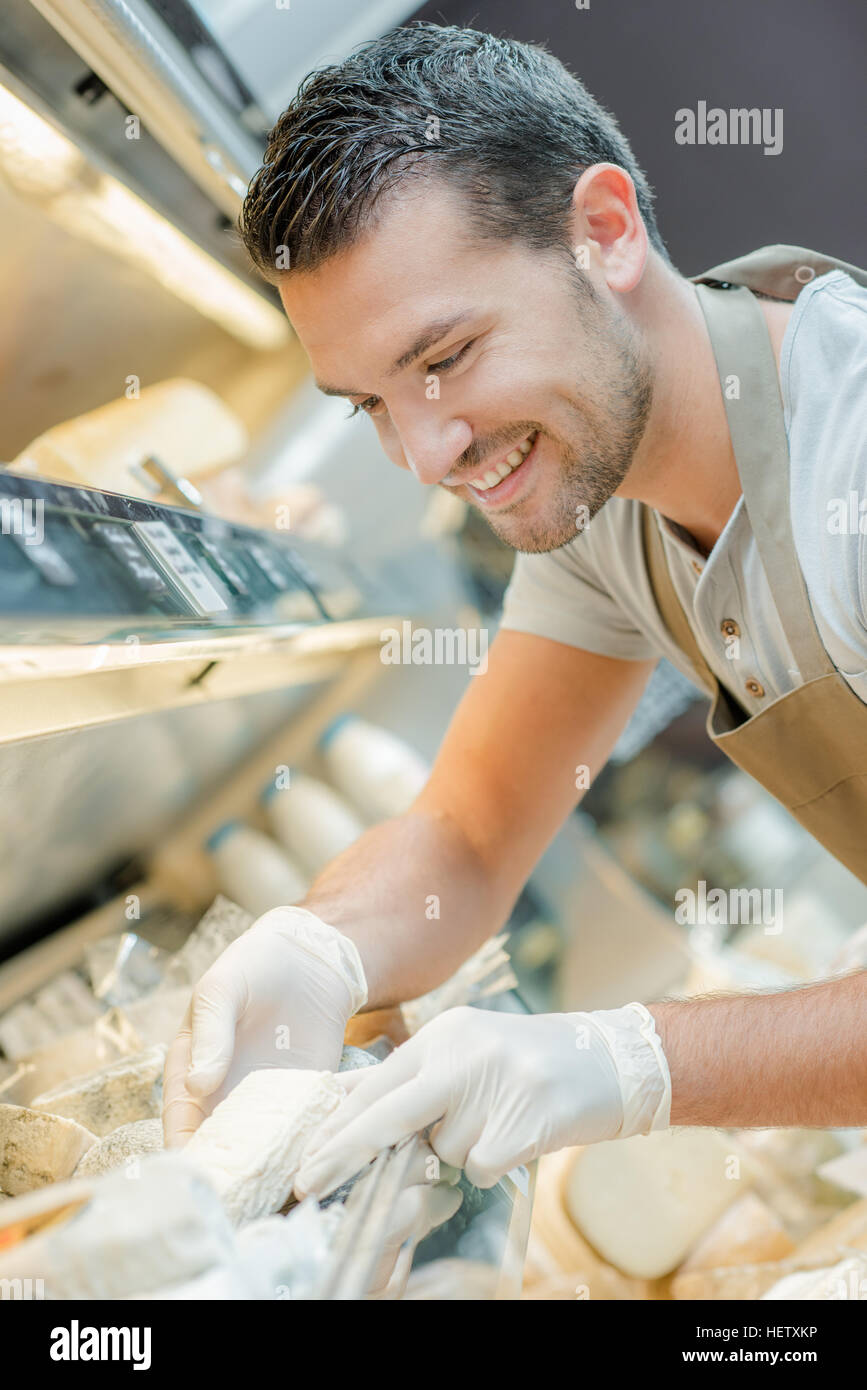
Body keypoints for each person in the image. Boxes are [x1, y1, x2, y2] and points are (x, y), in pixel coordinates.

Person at [163, 23, 867, 1199]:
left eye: (445, 356)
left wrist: (632, 1060)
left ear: (605, 231)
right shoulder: (612, 511)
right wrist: (318, 946)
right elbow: (473, 836)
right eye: (369, 406)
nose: (425, 454)